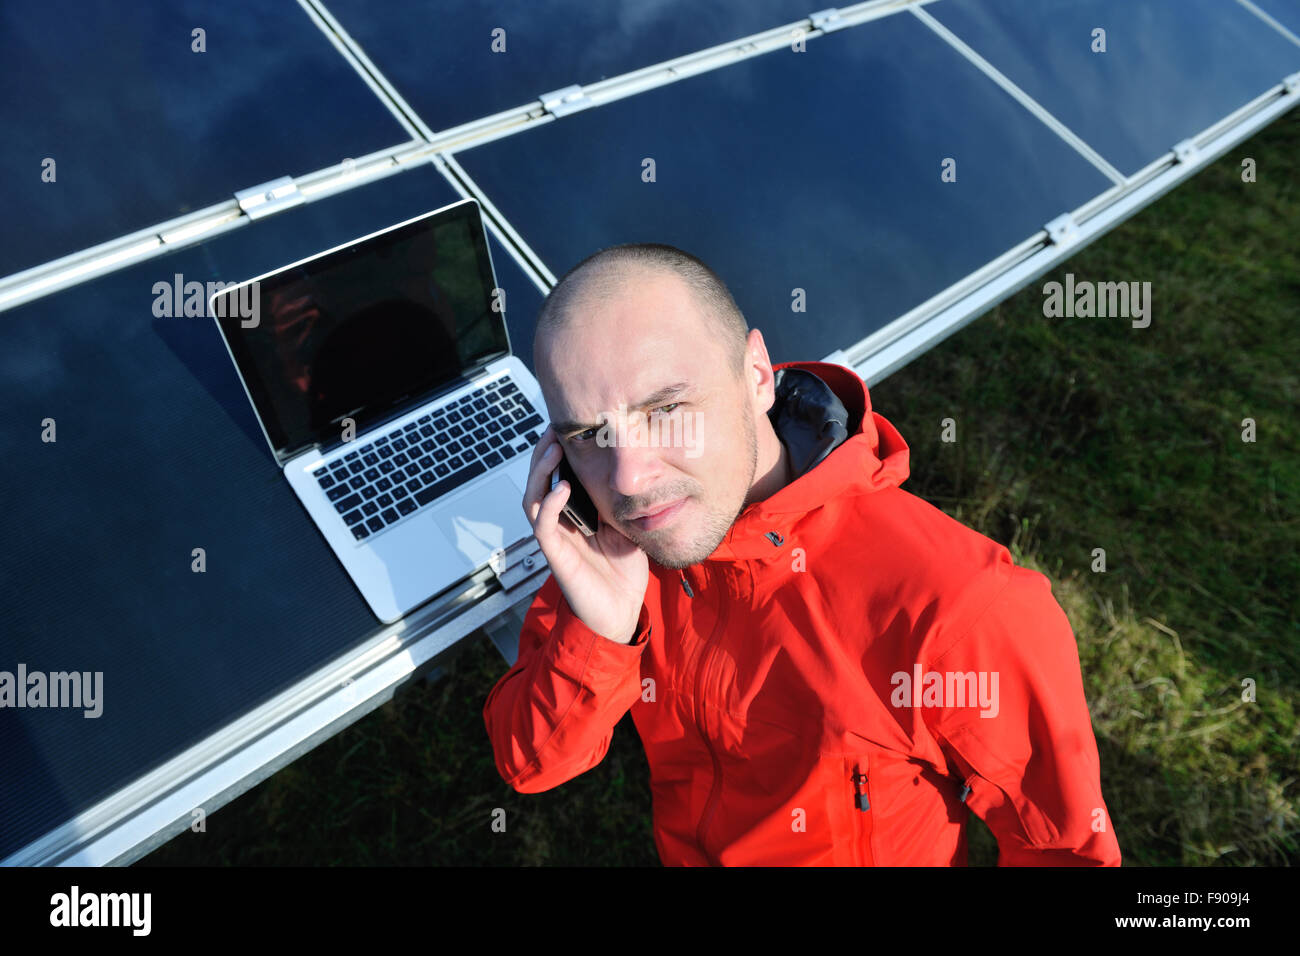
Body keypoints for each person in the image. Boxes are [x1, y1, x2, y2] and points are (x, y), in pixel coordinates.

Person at [482, 243, 1121, 866]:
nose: (628, 479)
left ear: (756, 375)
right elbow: (531, 765)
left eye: (667, 410)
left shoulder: (960, 609)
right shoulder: (623, 545)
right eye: (591, 434)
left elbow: (1066, 852)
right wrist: (599, 632)